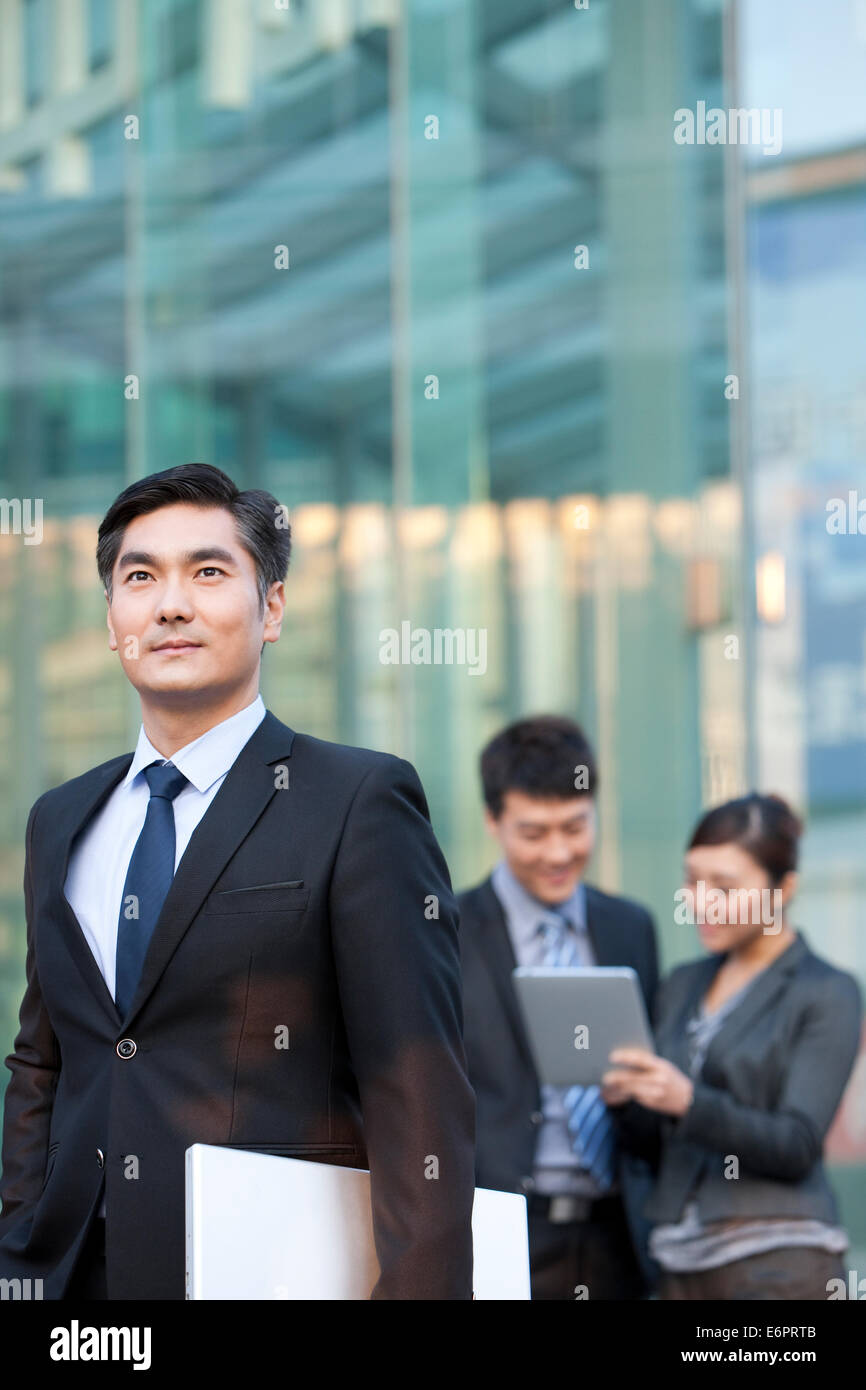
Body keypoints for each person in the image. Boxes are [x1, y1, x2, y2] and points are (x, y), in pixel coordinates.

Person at [0, 462, 475, 1300]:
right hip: (73, 1281)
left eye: (209, 572)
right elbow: (43, 1061)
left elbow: (416, 1084)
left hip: (265, 1267)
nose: (170, 604)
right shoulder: (60, 818)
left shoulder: (357, 800)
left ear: (274, 609)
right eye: (139, 577)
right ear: (113, 620)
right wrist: (19, 1235)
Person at [602, 792, 863, 1300]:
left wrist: (687, 1100)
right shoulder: (682, 985)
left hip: (778, 1264)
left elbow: (797, 1145)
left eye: (724, 886)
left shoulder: (826, 990)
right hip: (677, 1262)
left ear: (783, 889)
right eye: (693, 881)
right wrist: (627, 1103)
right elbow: (656, 1146)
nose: (700, 901)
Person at [459, 715, 660, 1300]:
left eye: (575, 827)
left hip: (617, 1233)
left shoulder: (630, 927)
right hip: (503, 1228)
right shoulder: (445, 929)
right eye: (534, 832)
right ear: (493, 822)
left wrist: (642, 1094)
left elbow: (651, 1118)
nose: (559, 852)